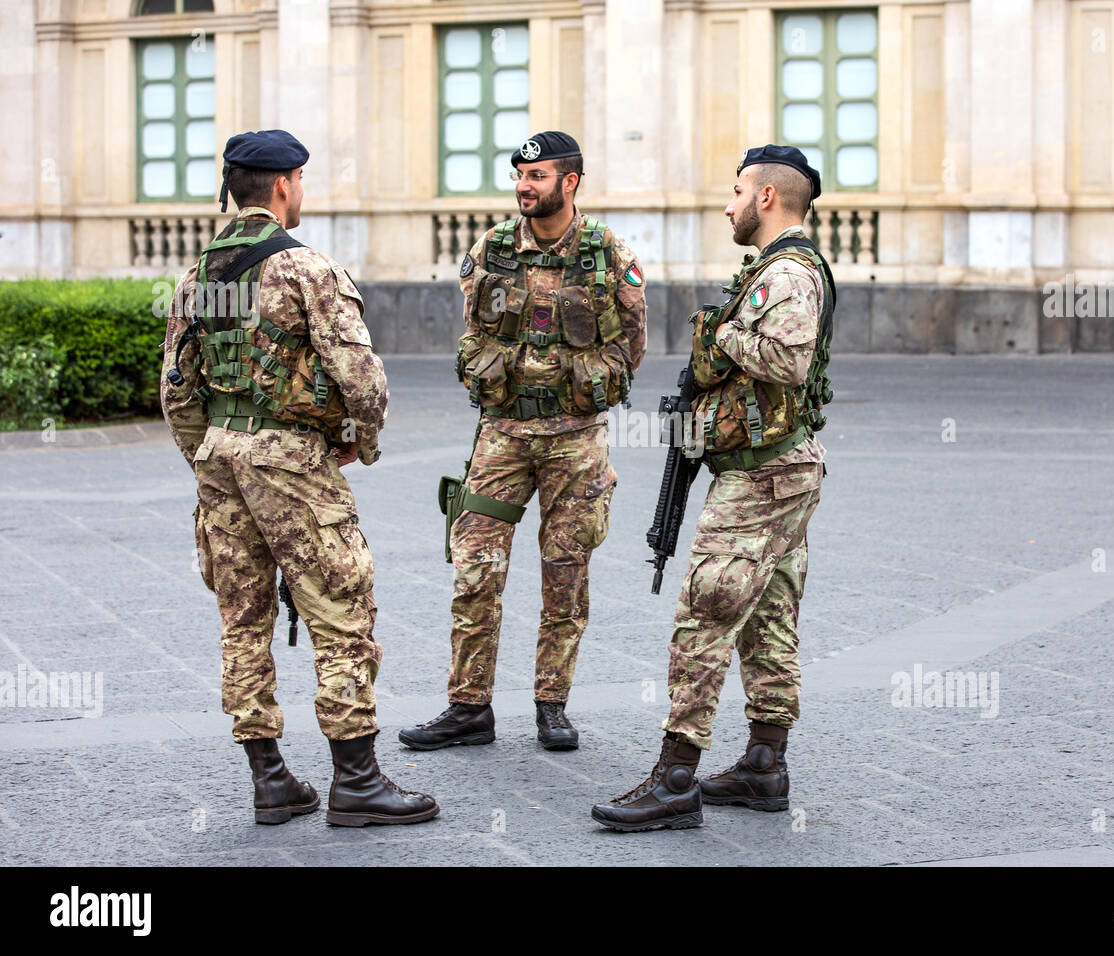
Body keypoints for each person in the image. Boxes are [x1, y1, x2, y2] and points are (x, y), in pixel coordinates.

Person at [161, 129, 438, 827]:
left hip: (220, 457)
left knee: (241, 618)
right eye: (302, 182)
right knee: (341, 607)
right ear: (283, 185)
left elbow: (176, 392)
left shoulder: (198, 276)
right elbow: (363, 381)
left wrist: (211, 454)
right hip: (292, 460)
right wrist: (356, 442)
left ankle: (272, 781)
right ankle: (358, 782)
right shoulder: (306, 270)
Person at [592, 145, 835, 831]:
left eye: (735, 192)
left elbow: (787, 360)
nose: (727, 206)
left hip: (763, 475)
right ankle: (764, 764)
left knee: (706, 610)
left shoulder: (785, 272)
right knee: (768, 615)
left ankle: (674, 778)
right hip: (782, 467)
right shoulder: (780, 268)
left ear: (766, 198)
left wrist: (723, 334)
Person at [399, 131, 647, 753]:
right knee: (474, 570)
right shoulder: (492, 248)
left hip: (574, 440)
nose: (523, 185)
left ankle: (551, 704)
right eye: (519, 174)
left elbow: (632, 343)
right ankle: (468, 706)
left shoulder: (608, 253)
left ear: (570, 182)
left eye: (537, 175)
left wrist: (583, 381)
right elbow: (473, 330)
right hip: (501, 437)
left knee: (565, 575)